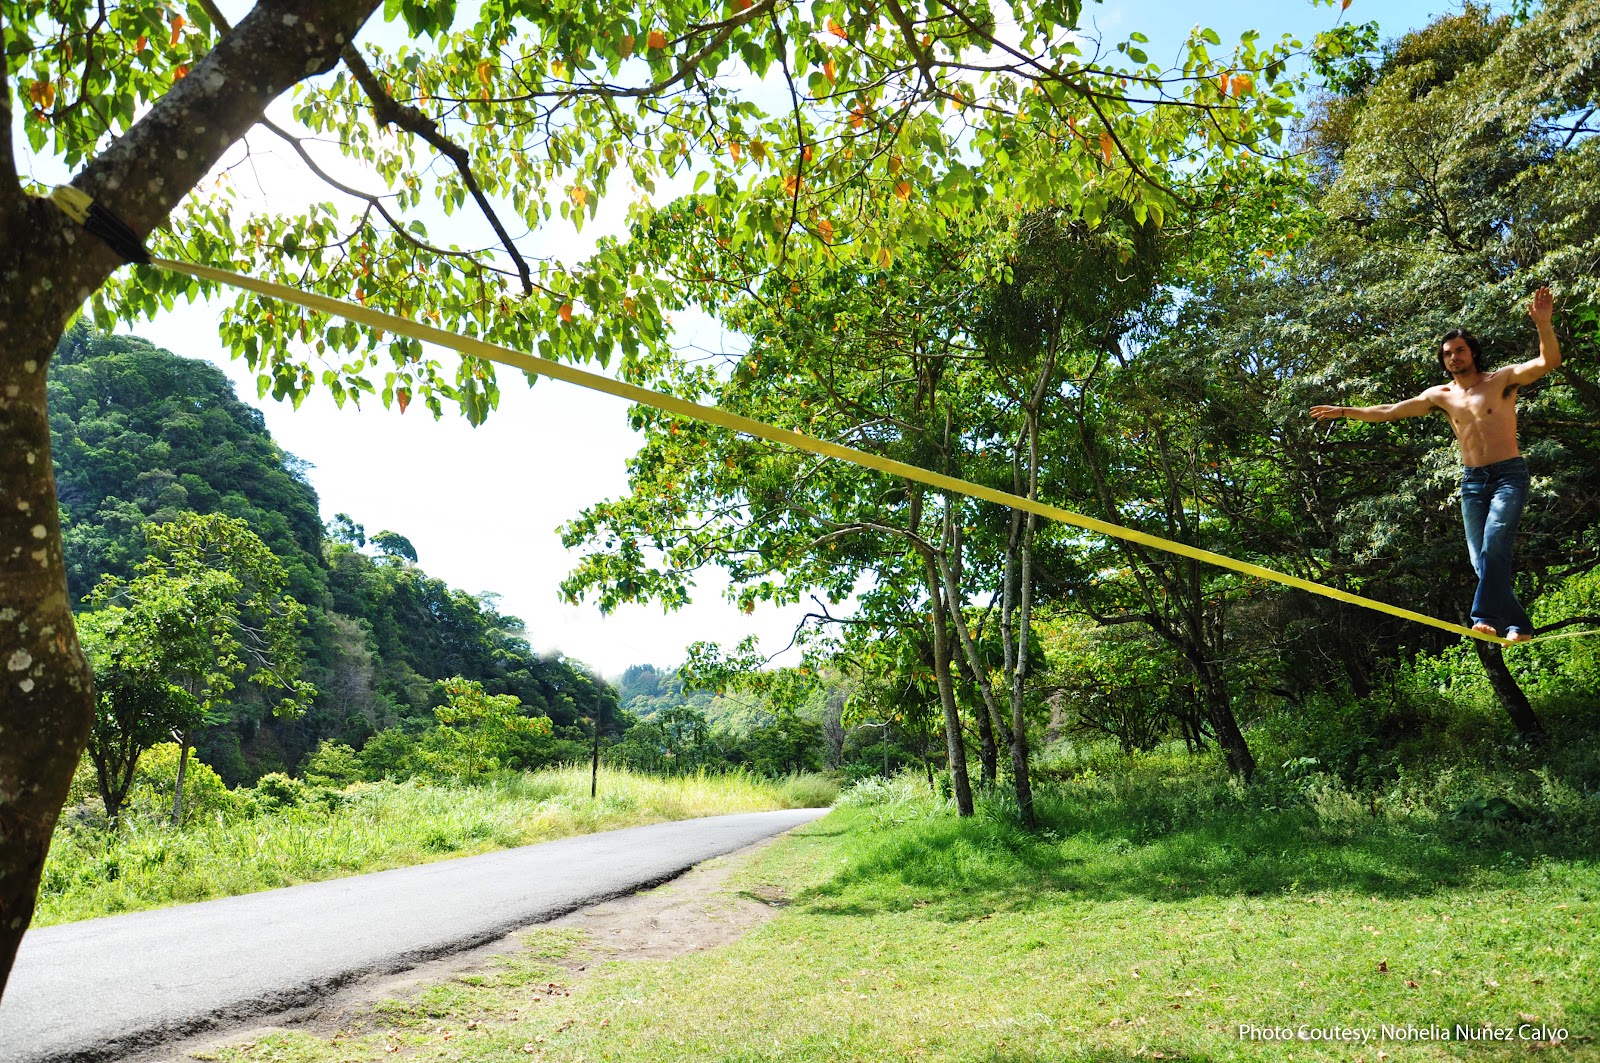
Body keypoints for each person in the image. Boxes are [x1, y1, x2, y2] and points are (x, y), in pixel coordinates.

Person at [1309, 288, 1562, 643]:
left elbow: (1547, 362)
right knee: (1481, 562)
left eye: (1460, 350)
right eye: (1447, 354)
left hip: (1509, 475)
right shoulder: (1439, 397)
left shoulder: (1502, 381)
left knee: (1493, 547)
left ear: (1472, 352)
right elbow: (1389, 412)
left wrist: (1544, 325)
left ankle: (1484, 618)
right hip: (1473, 482)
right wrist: (1343, 411)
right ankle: (1519, 624)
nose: (1454, 357)